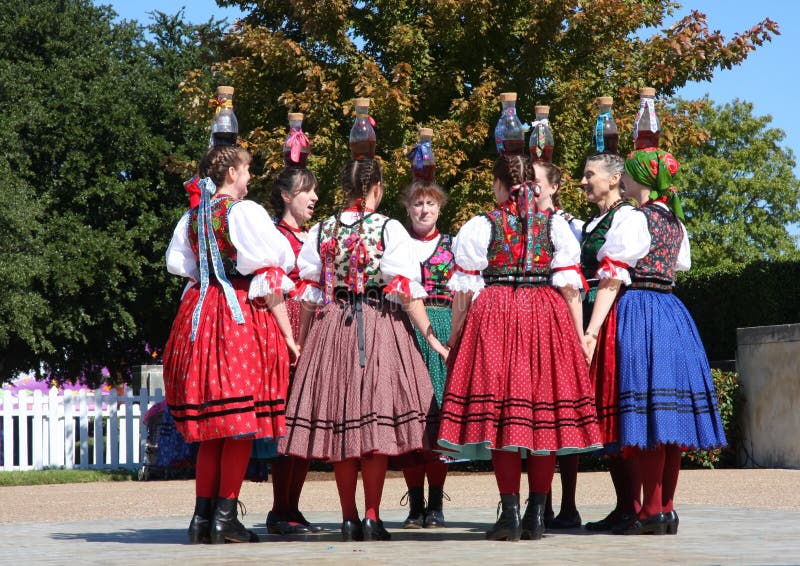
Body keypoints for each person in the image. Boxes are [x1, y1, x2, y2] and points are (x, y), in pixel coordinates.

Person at [281, 157, 448, 542]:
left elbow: (310, 294)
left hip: (332, 328)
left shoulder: (322, 229)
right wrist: (431, 338)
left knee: (341, 428)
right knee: (374, 426)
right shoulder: (389, 228)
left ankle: (348, 518)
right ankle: (372, 517)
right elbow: (406, 291)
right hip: (379, 326)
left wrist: (302, 341)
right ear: (377, 188)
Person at [437, 153, 602, 542]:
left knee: (501, 418)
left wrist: (456, 336)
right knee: (544, 421)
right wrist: (579, 339)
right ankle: (536, 516)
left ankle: (510, 515)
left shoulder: (481, 225)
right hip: (545, 317)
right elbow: (570, 289)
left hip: (495, 315)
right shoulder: (555, 225)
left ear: (499, 185)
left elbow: (464, 292)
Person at [583, 148, 727, 535]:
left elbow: (612, 275)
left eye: (629, 174)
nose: (625, 180)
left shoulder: (635, 218)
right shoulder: (675, 222)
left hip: (639, 313)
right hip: (672, 313)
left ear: (639, 180)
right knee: (667, 419)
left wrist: (592, 331)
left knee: (646, 416)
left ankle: (649, 511)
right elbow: (681, 265)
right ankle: (664, 509)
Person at [163, 145, 299, 544]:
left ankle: (202, 518)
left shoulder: (192, 216)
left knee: (214, 427)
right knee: (238, 423)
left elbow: (182, 266)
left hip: (198, 313)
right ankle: (225, 518)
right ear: (232, 173)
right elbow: (271, 269)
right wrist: (288, 335)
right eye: (247, 169)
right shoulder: (245, 212)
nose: (250, 177)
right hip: (236, 314)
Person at [258, 167, 322, 535]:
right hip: (286, 328)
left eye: (315, 191)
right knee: (287, 420)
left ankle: (292, 507)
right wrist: (288, 336)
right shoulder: (272, 236)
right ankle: (280, 509)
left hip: (314, 326)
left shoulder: (314, 236)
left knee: (305, 421)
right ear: (286, 196)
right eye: (306, 191)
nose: (314, 198)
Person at [399, 181, 454, 529]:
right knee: (411, 419)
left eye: (430, 204)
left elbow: (465, 293)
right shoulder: (397, 244)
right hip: (405, 329)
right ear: (408, 209)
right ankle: (415, 503)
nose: (424, 210)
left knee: (438, 418)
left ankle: (435, 502)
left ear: (440, 208)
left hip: (443, 327)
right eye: (418, 204)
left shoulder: (454, 245)